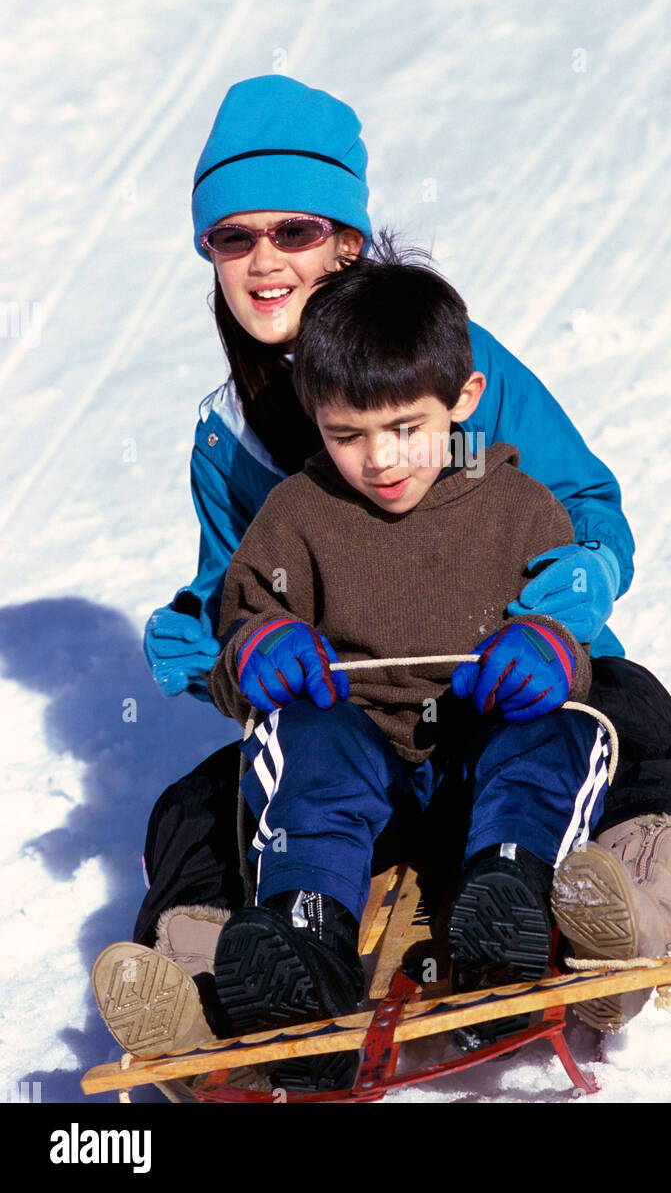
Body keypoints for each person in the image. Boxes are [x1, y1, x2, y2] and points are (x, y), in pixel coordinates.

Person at [92, 75, 671, 1063]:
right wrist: (249, 644)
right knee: (196, 804)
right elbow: (232, 595)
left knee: (634, 729)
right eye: (233, 237)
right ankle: (217, 987)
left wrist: (554, 621)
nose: (263, 261)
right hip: (359, 732)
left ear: (346, 238)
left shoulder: (447, 366)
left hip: (508, 691)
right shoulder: (229, 440)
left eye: (294, 231)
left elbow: (590, 516)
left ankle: (608, 919)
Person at [206, 257, 614, 1087]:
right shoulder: (296, 519)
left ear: (463, 400)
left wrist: (549, 653)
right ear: (314, 418)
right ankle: (304, 939)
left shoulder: (519, 507)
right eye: (345, 435)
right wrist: (258, 650)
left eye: (404, 429)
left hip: (482, 768)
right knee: (304, 742)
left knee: (561, 731)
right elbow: (233, 648)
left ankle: (510, 901)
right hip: (369, 788)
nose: (380, 460)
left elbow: (577, 642)